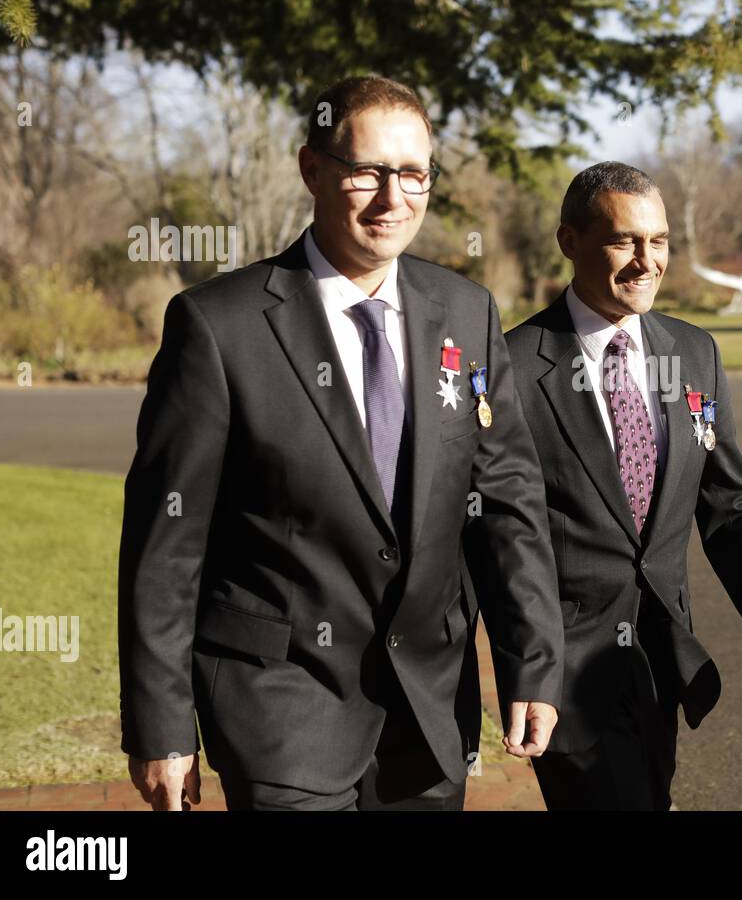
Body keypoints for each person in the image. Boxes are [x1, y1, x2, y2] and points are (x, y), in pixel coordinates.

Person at [118, 75, 562, 811]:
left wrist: (533, 663)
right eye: (367, 173)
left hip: (427, 716)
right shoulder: (217, 327)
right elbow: (167, 542)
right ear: (312, 169)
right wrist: (161, 725)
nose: (394, 198)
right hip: (279, 712)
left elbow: (508, 500)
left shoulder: (466, 311)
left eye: (414, 174)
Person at [476, 161, 742, 810]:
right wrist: (525, 668)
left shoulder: (694, 354)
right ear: (569, 241)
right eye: (623, 241)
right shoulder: (513, 367)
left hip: (662, 662)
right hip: (565, 673)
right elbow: (493, 535)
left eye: (658, 242)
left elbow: (732, 506)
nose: (646, 261)